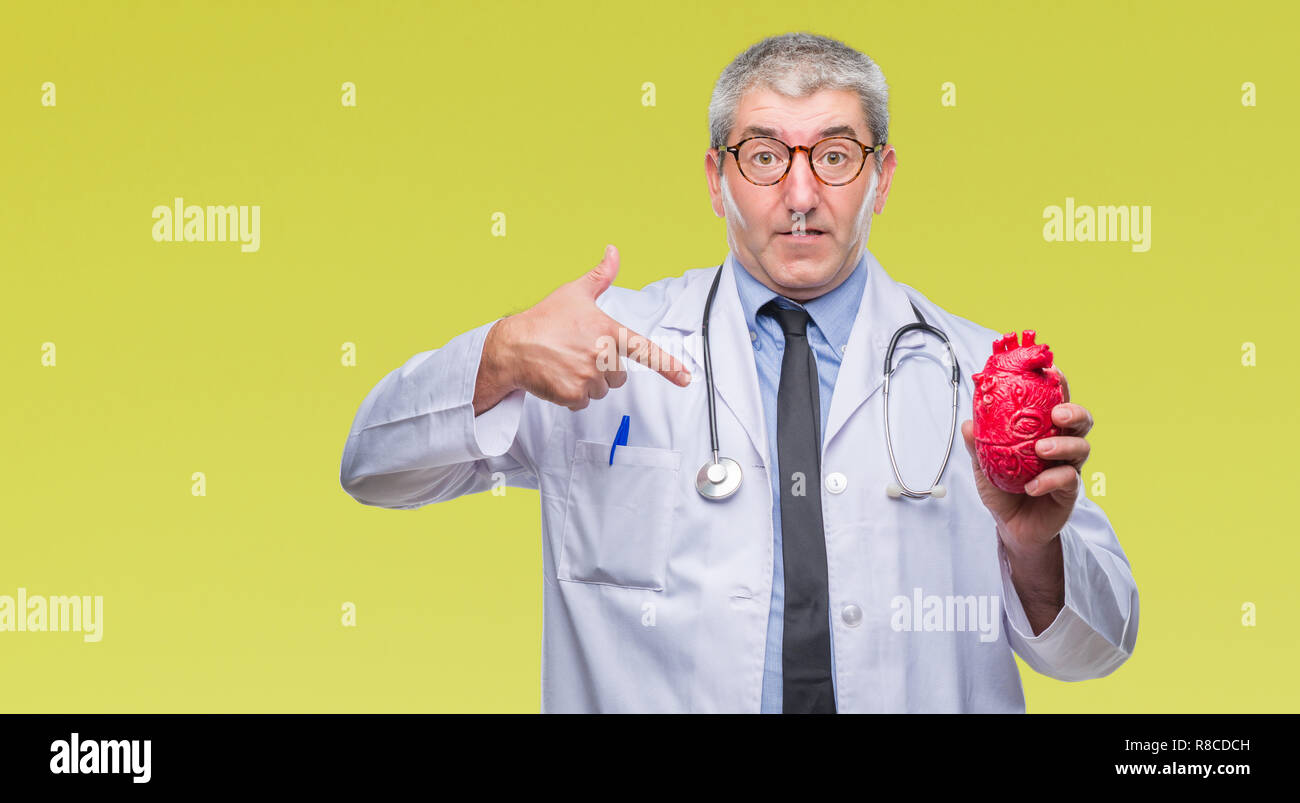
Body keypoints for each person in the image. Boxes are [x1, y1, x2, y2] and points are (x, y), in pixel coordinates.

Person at [339, 31, 1138, 713]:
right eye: (764, 156)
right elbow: (372, 465)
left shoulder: (978, 374)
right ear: (717, 180)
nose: (799, 194)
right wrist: (502, 351)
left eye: (834, 156)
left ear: (883, 177)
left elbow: (1099, 648)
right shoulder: (599, 350)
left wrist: (1035, 546)